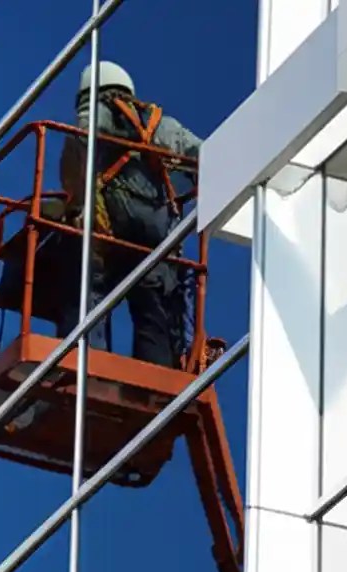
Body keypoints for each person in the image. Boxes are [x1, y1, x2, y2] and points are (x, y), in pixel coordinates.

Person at [56, 60, 202, 369]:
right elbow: (202, 154)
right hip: (157, 233)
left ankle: (85, 362)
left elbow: (76, 159)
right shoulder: (161, 124)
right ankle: (156, 374)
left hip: (111, 225)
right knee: (154, 306)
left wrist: (77, 207)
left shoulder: (93, 115)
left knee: (88, 287)